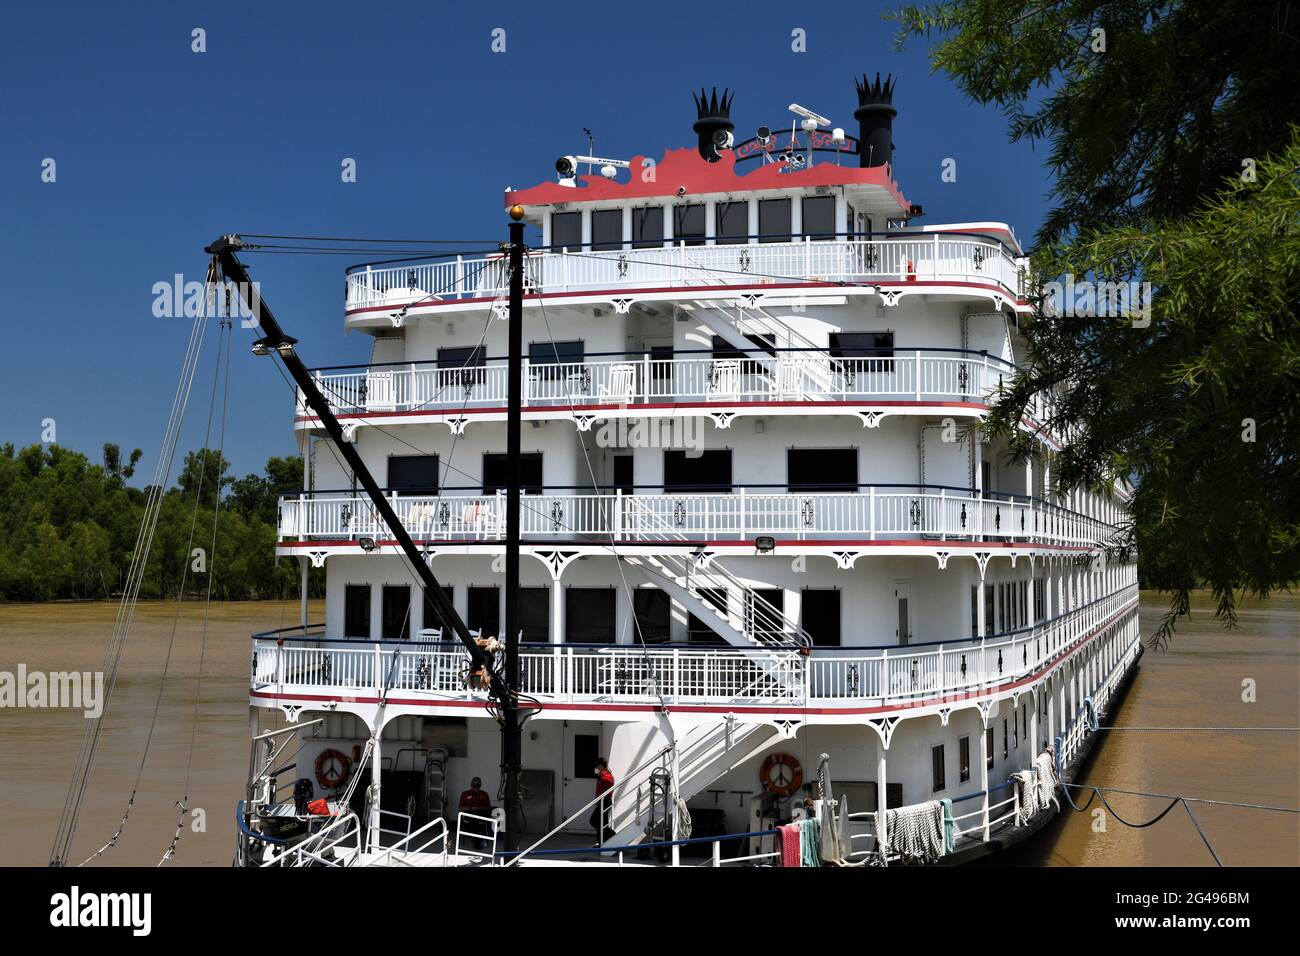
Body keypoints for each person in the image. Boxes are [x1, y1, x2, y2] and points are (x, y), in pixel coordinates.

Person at [589, 758, 615, 845]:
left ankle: (612, 835)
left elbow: (607, 788)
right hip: (602, 802)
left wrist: (600, 778)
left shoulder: (606, 777)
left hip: (605, 802)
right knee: (600, 823)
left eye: (597, 766)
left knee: (594, 821)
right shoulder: (602, 776)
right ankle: (601, 842)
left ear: (601, 766)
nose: (596, 768)